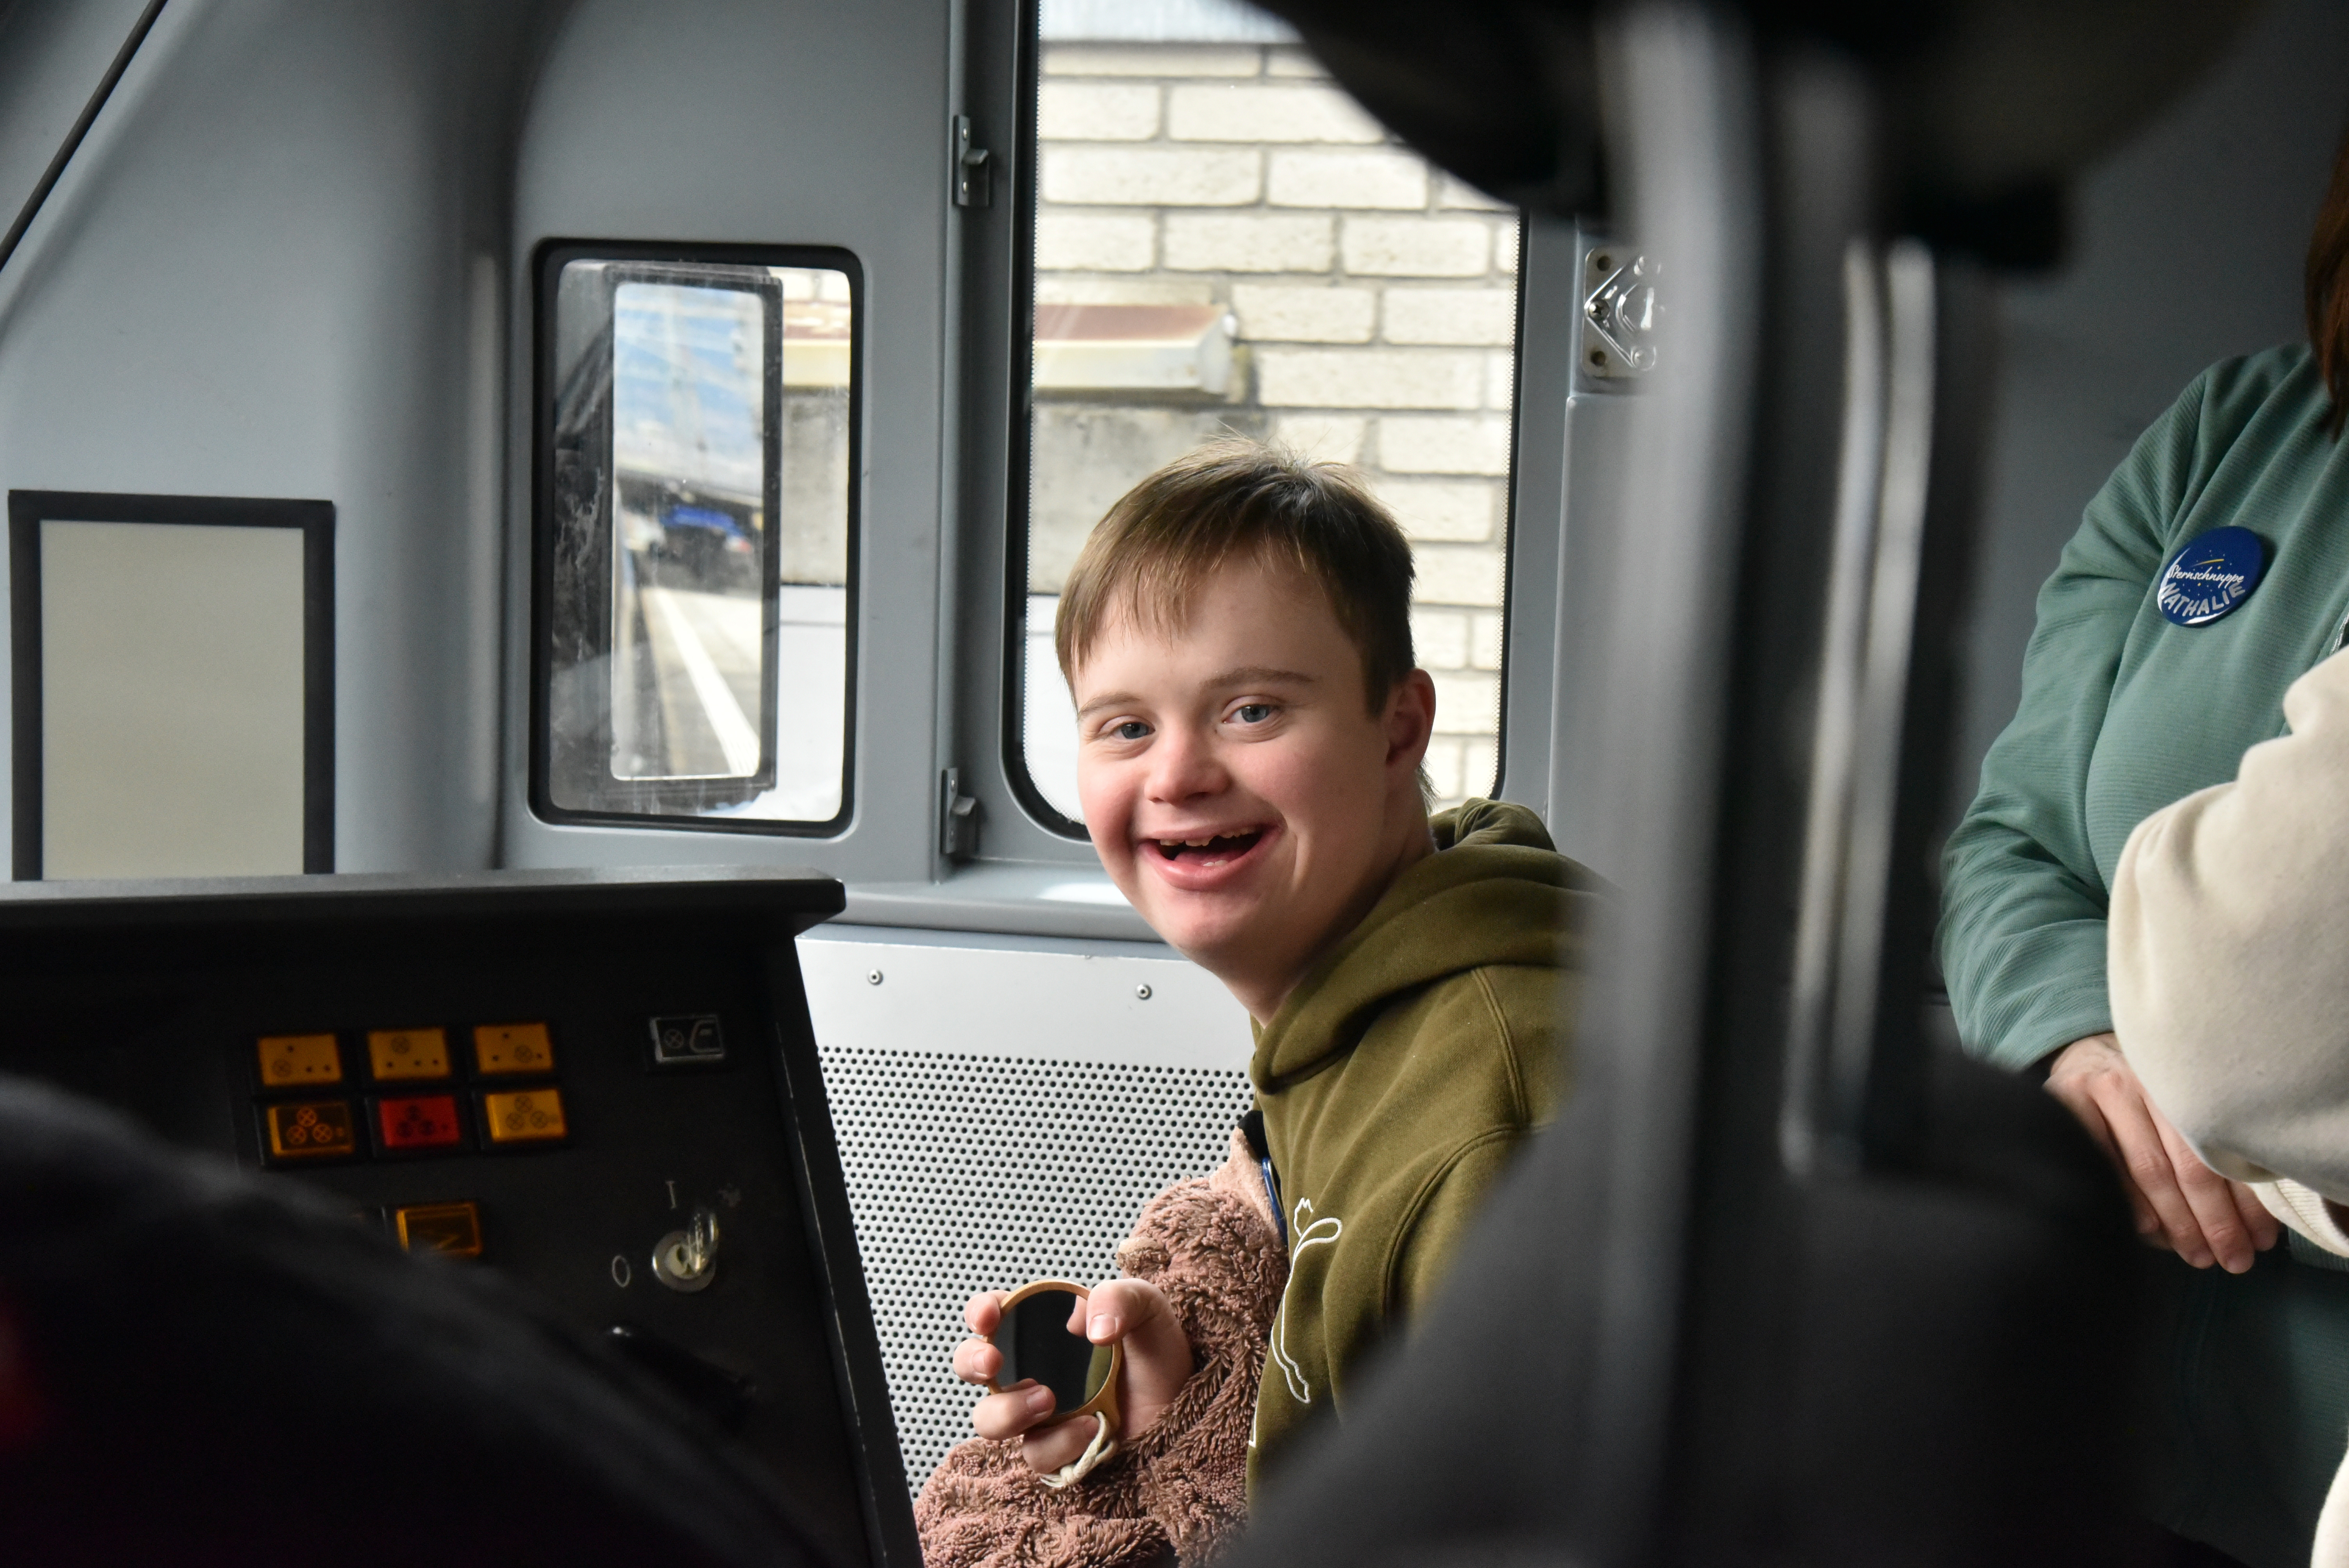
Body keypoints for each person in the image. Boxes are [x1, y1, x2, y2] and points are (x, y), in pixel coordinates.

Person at [915, 440, 1598, 1564]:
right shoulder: (1348, 988)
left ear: (1399, 726)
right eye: (1126, 726)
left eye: (1249, 711)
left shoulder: (1499, 1100)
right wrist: (1164, 1407)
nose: (1177, 774)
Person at [1939, 134, 2349, 1565]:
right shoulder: (2235, 429)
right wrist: (2084, 1046)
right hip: (2102, 1392)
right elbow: (2007, 844)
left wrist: (2241, 1091)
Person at [2110, 644, 2349, 1568]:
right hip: (2131, 1452)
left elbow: (2234, 997)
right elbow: (2009, 840)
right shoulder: (2175, 490)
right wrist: (2076, 1026)